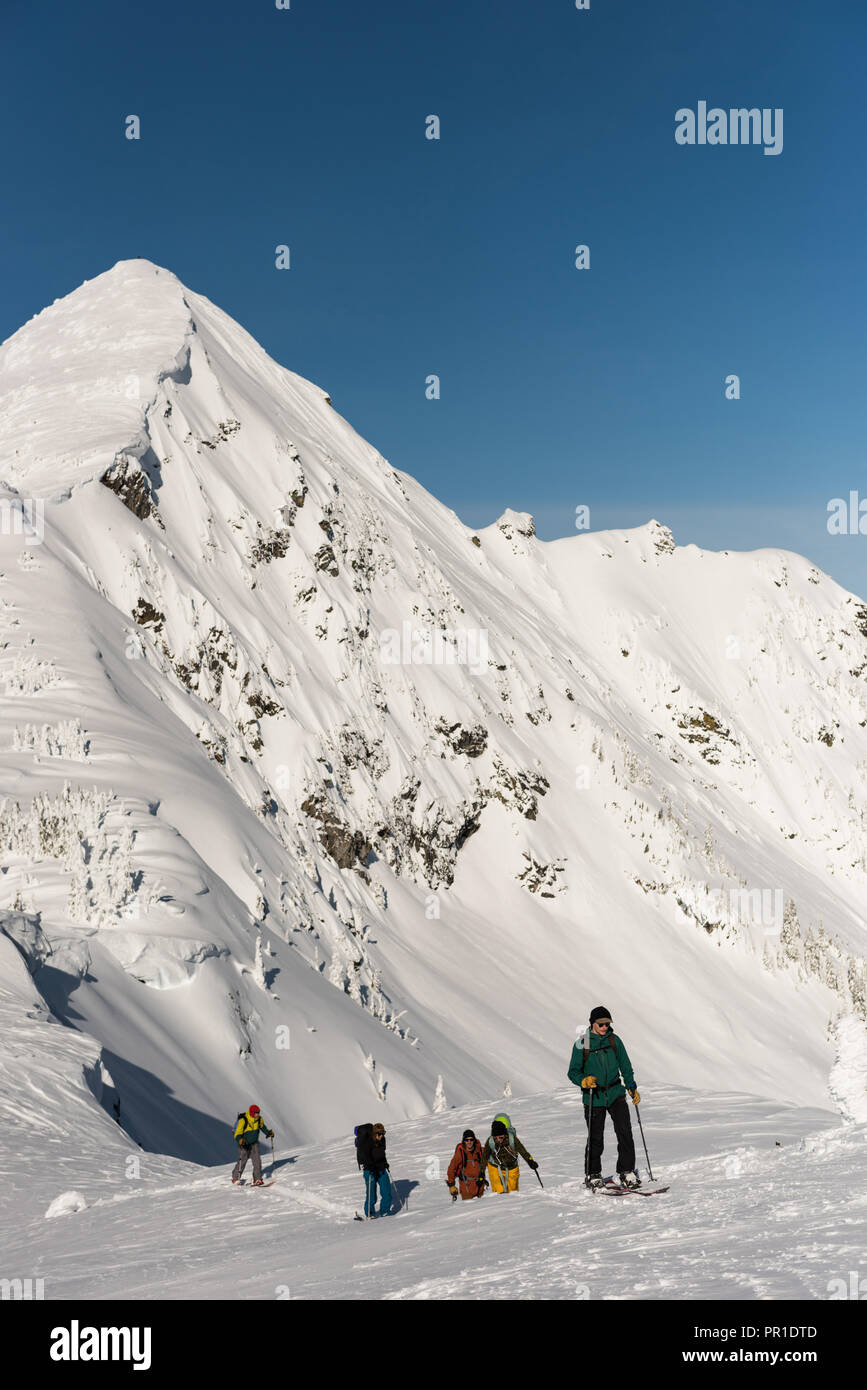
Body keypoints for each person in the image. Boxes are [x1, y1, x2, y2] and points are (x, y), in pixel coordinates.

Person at [567, 1006, 641, 1190]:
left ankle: (627, 1171)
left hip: (616, 1092)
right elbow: (572, 1071)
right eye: (601, 1024)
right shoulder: (582, 1043)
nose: (605, 1027)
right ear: (593, 1023)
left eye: (607, 1023)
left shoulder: (614, 1040)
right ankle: (593, 1174)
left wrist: (631, 1086)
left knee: (625, 1132)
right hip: (594, 1096)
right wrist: (583, 1081)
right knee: (595, 1137)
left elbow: (625, 1065)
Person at [483, 1114, 538, 1194]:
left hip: (507, 1167)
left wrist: (530, 1161)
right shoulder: (491, 1141)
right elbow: (484, 1156)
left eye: (501, 1137)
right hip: (497, 1167)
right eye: (496, 1138)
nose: (498, 1140)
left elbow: (522, 1150)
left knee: (511, 1195)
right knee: (501, 1194)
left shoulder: (511, 1139)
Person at [232, 1104, 275, 1186]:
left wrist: (268, 1133)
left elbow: (262, 1127)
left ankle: (257, 1178)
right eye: (256, 1113)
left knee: (257, 1161)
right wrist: (240, 1140)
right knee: (242, 1161)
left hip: (254, 1144)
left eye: (258, 1112)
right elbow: (237, 1133)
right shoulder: (243, 1120)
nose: (258, 1114)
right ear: (252, 1113)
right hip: (244, 1144)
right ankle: (236, 1178)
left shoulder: (259, 1119)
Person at [356, 1121, 392, 1218]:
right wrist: (370, 1165)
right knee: (371, 1194)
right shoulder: (367, 1142)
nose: (381, 1136)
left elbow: (381, 1153)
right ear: (374, 1133)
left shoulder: (382, 1140)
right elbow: (365, 1156)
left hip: (380, 1168)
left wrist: (385, 1163)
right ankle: (369, 1213)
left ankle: (385, 1212)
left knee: (386, 1191)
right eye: (379, 1134)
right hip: (370, 1170)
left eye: (383, 1133)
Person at [447, 1129, 487, 1201]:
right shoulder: (460, 1153)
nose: (469, 1142)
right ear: (464, 1141)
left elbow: (491, 1159)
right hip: (466, 1187)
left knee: (482, 1210)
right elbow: (451, 1169)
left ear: (474, 1140)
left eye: (471, 1139)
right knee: (469, 1209)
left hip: (480, 1186)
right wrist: (451, 1185)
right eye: (467, 1140)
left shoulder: (480, 1150)